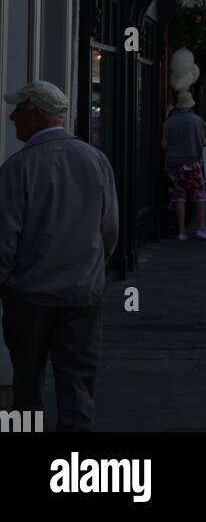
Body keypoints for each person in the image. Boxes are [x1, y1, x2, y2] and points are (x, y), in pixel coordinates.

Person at [0, 82, 119, 432]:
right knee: (78, 383)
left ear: (35, 112)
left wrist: (4, 281)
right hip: (81, 293)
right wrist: (94, 271)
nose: (11, 116)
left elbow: (5, 239)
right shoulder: (95, 159)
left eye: (17, 109)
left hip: (29, 295)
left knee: (26, 383)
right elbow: (109, 229)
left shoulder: (18, 167)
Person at [161, 92, 206, 241]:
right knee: (200, 195)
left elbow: (164, 144)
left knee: (179, 196)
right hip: (192, 161)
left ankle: (181, 231)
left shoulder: (169, 122)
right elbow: (204, 141)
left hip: (174, 163)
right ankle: (201, 227)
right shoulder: (198, 121)